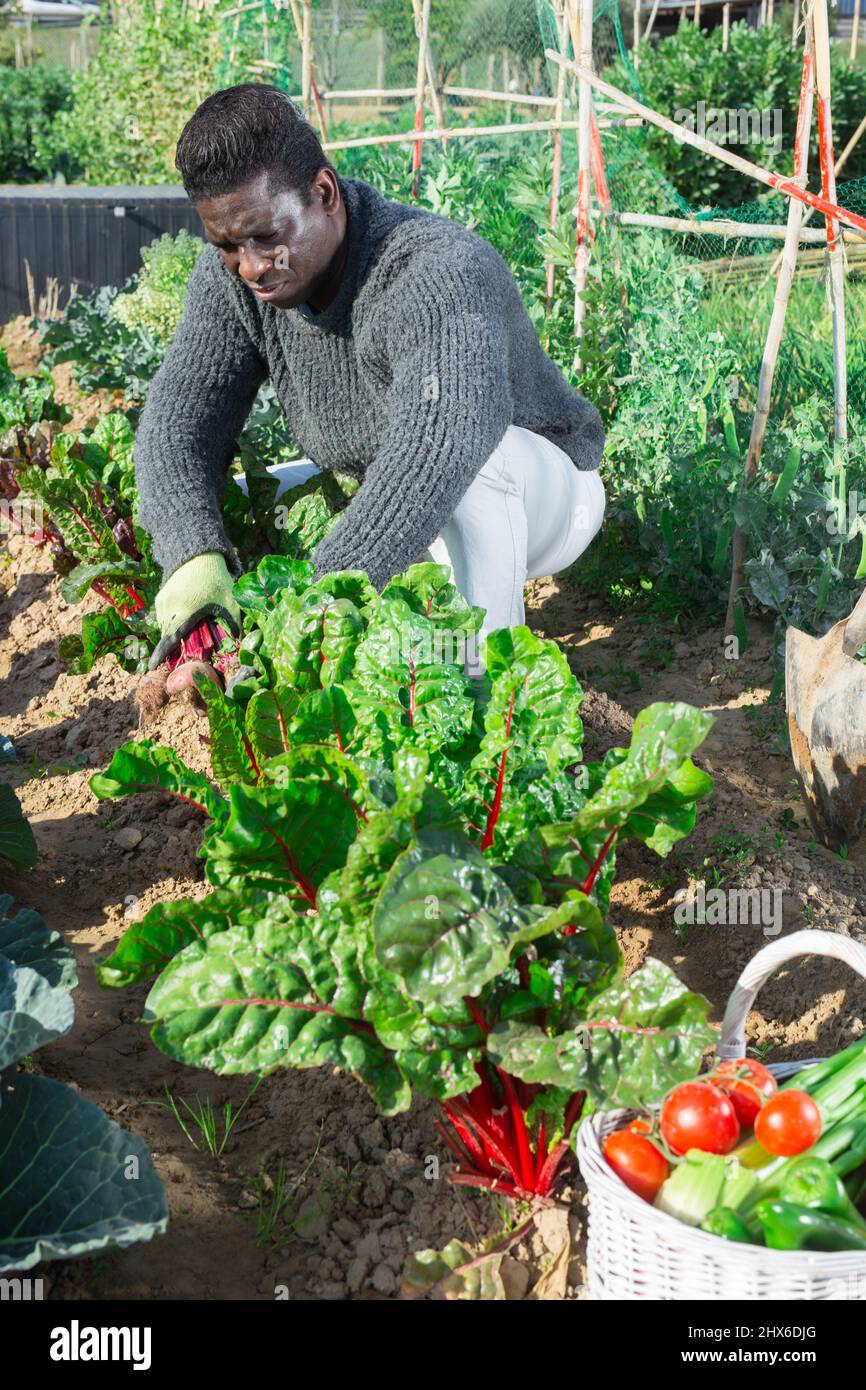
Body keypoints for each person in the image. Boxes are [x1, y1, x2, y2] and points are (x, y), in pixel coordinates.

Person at [136, 84, 606, 670]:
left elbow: (440, 443)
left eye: (267, 237)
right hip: (391, 495)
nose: (251, 266)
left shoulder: (433, 270)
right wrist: (193, 562)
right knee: (225, 506)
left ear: (324, 193)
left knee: (476, 460)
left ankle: (485, 681)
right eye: (227, 244)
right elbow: (177, 427)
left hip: (542, 497)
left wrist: (313, 612)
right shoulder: (235, 278)